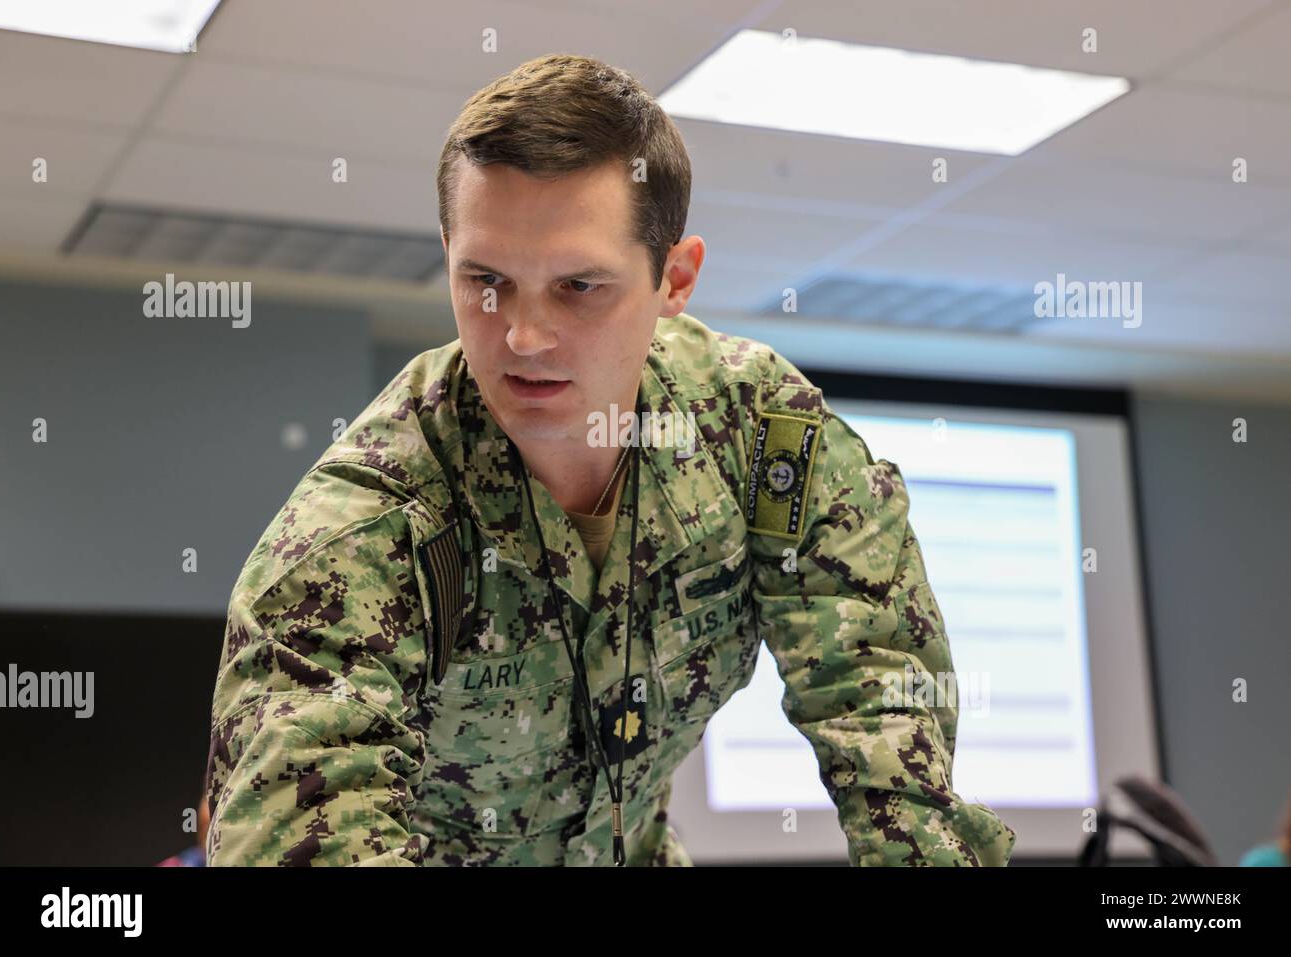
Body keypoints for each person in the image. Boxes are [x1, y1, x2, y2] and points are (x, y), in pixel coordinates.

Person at [204, 53, 1016, 867]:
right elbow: (303, 834)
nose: (523, 336)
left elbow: (878, 680)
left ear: (676, 277)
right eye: (486, 281)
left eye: (578, 287)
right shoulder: (367, 535)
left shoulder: (755, 434)